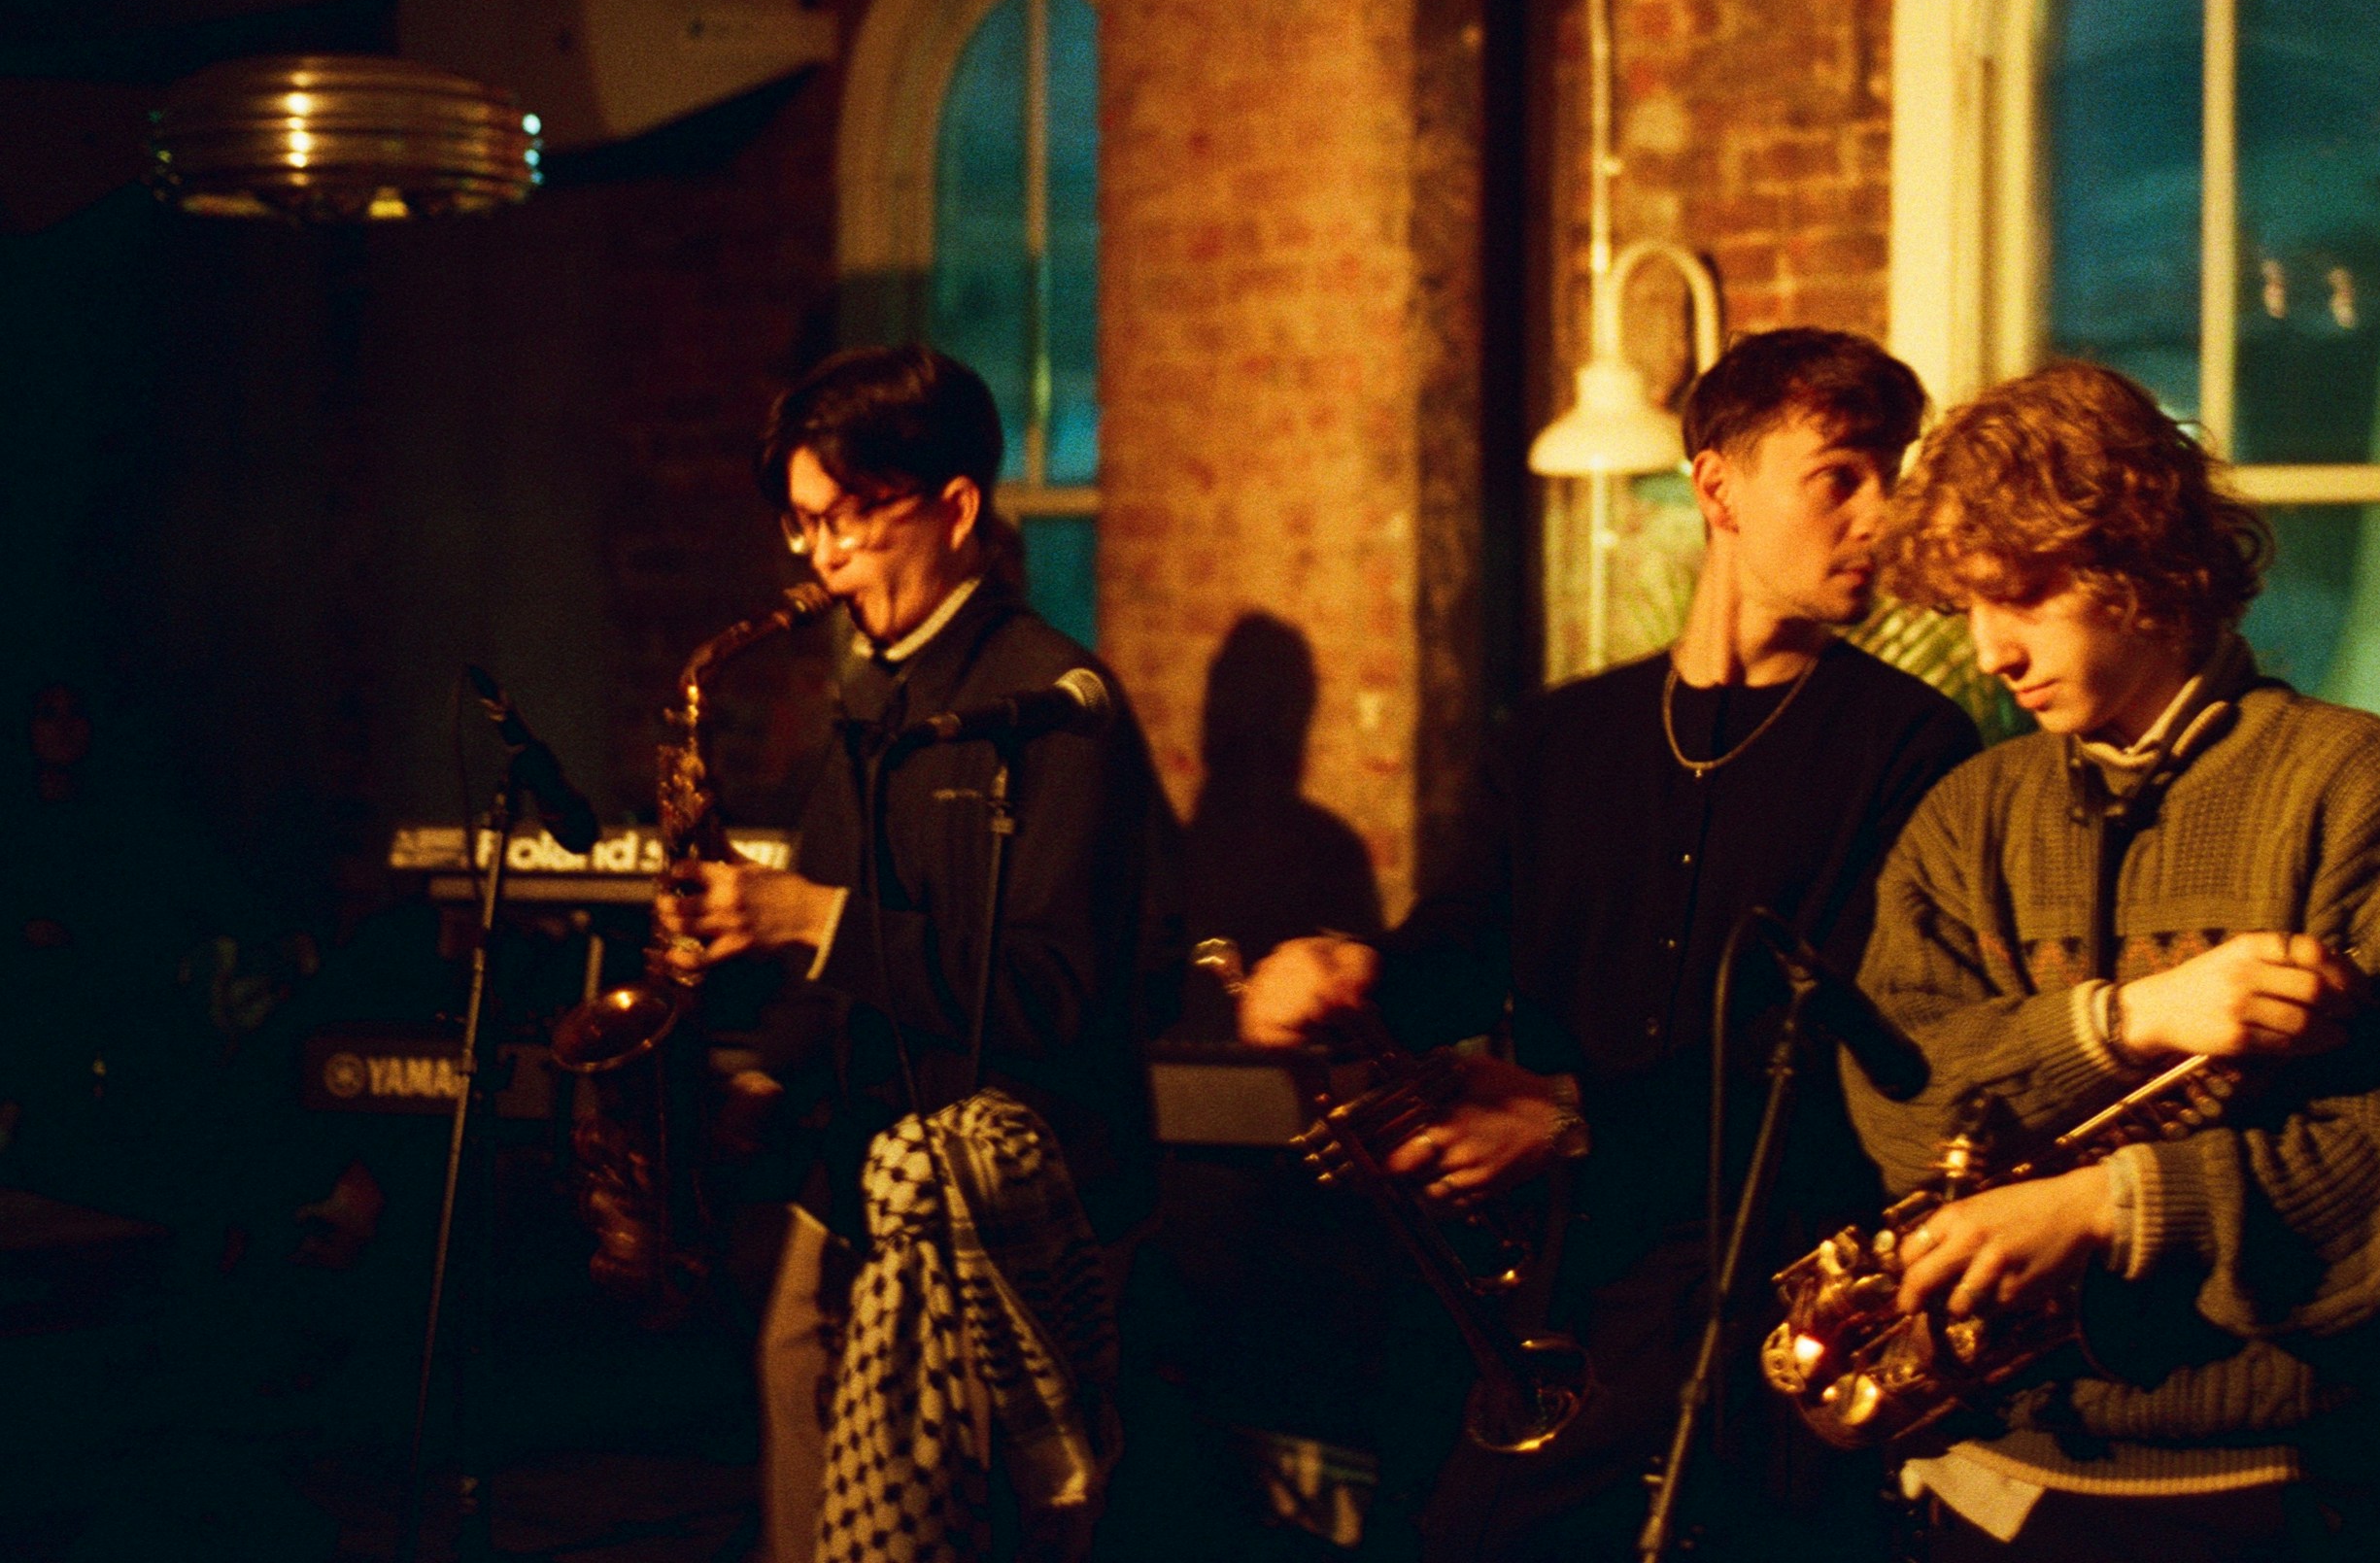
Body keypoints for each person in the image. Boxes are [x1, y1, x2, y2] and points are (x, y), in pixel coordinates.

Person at [1237, 327, 1985, 1562]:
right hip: (1535, 1291)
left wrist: (1573, 1114)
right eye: (1842, 474)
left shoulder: (1911, 746)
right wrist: (1343, 969)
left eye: (1893, 474)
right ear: (1715, 485)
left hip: (1751, 1320)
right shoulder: (1558, 738)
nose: (1882, 513)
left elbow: (1858, 1067)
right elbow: (1462, 944)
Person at [1848, 361, 2380, 1561]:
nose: (1991, 648)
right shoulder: (1965, 812)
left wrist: (2110, 1204)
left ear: (2143, 560)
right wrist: (2122, 1020)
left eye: (2027, 594)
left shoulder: (2354, 785)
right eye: (1969, 609)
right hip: (1991, 1472)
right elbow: (1898, 1105)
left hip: (2276, 1480)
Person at [664, 343, 1169, 1563]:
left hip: (1017, 1203)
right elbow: (836, 945)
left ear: (953, 506)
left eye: (848, 515)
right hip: (855, 1166)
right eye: (802, 523)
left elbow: (1056, 991)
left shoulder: (1054, 704)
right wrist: (765, 1066)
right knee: (800, 1441)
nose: (825, 553)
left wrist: (805, 917)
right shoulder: (873, 703)